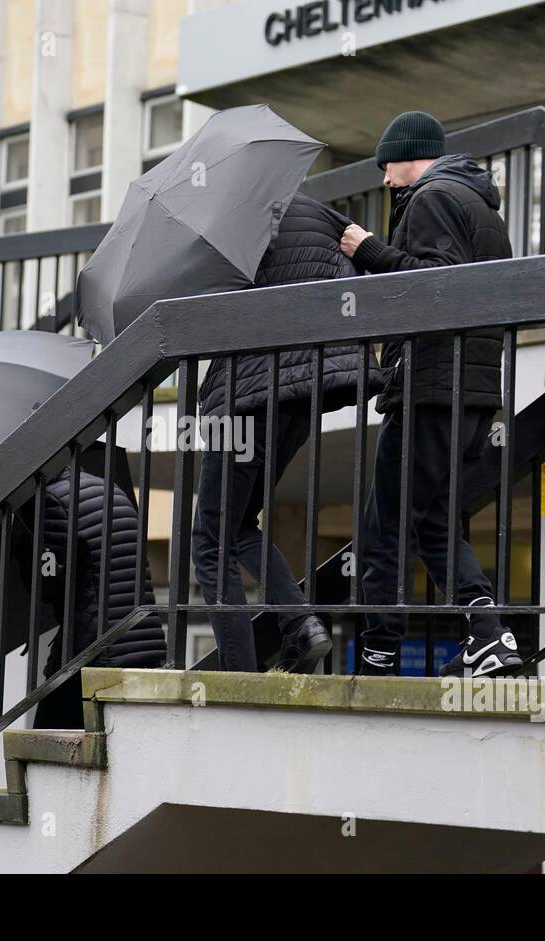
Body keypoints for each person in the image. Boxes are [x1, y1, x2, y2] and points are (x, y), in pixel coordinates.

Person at [339, 110, 519, 679]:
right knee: (433, 517)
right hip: (471, 384)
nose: (386, 181)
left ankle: (379, 653)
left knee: (385, 524)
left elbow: (434, 286)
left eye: (386, 168)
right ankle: (488, 634)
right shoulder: (477, 203)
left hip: (433, 381)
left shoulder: (434, 196)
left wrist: (367, 250)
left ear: (407, 155)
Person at [192, 192, 384, 674]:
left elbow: (213, 308)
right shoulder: (323, 214)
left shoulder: (236, 220)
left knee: (209, 540)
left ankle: (238, 672)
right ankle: (300, 624)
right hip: (303, 395)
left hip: (246, 391)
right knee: (239, 526)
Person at [35, 450, 167, 728]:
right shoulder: (108, 489)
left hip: (94, 650)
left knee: (45, 738)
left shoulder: (52, 501)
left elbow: (49, 584)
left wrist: (27, 551)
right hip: (143, 642)